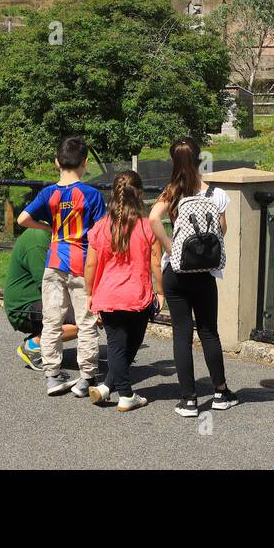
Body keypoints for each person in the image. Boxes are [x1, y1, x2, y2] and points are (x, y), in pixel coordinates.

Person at [148, 137, 239, 417]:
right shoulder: (216, 195)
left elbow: (153, 219)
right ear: (200, 159)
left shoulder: (172, 192)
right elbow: (221, 230)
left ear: (173, 161)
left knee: (182, 335)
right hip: (203, 273)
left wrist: (171, 247)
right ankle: (221, 391)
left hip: (176, 272)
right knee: (209, 331)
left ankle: (188, 399)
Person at [17, 136, 105, 398]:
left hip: (54, 263)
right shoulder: (91, 194)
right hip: (82, 264)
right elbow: (101, 233)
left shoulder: (48, 193)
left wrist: (47, 226)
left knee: (52, 320)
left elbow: (23, 219)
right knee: (86, 321)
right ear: (85, 162)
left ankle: (52, 376)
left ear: (57, 162)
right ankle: (86, 377)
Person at [83, 171, 163, 412]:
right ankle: (126, 395)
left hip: (108, 296)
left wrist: (89, 293)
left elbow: (90, 265)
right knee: (129, 344)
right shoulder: (148, 226)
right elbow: (156, 263)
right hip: (138, 296)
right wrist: (161, 292)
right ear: (139, 194)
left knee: (119, 346)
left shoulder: (100, 227)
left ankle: (107, 387)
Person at [2, 226, 79, 371]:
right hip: (24, 306)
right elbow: (47, 284)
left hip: (41, 298)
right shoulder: (38, 238)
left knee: (85, 312)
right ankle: (33, 345)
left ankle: (44, 340)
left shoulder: (54, 235)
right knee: (84, 319)